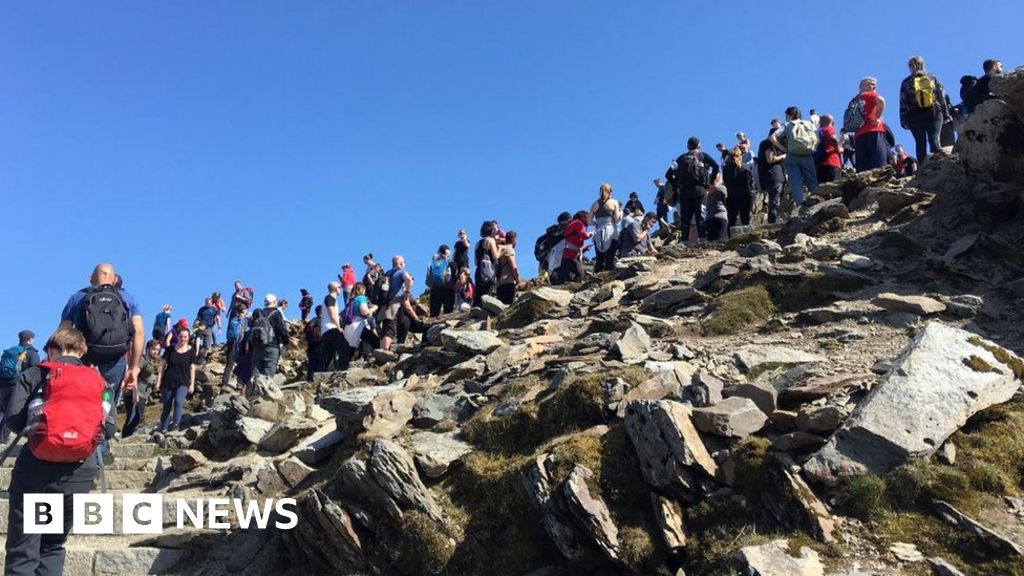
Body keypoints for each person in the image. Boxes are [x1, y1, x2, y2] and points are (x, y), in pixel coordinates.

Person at [3, 326, 109, 576]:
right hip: (78, 472)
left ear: (51, 350)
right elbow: (110, 427)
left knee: (24, 547)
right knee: (52, 545)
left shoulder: (35, 374)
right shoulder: (98, 380)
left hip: (35, 469)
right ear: (82, 351)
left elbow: (13, 420)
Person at [59, 263, 143, 458]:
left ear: (91, 278)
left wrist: (62, 363)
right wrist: (134, 367)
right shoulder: (126, 298)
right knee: (107, 405)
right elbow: (138, 332)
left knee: (80, 403)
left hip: (84, 360)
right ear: (114, 279)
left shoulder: (78, 297)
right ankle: (99, 454)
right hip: (116, 360)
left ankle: (76, 447)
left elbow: (63, 332)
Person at [899, 56, 950, 166]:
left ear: (910, 67)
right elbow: (941, 96)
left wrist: (904, 120)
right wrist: (946, 114)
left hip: (915, 114)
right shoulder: (932, 77)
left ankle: (923, 168)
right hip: (934, 111)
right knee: (934, 138)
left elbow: (903, 102)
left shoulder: (906, 82)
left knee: (920, 142)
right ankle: (938, 165)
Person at [669, 137, 719, 244]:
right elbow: (716, 166)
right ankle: (702, 241)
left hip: (684, 192)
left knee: (685, 219)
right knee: (700, 215)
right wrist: (710, 182)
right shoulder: (702, 156)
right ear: (699, 146)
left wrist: (675, 186)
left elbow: (668, 174)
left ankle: (684, 243)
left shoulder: (681, 158)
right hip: (700, 190)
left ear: (687, 147)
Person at [771, 106, 818, 209]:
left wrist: (784, 149)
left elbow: (772, 137)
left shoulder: (787, 125)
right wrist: (812, 148)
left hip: (792, 155)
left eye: (786, 115)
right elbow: (817, 138)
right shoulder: (809, 124)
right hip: (807, 154)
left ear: (790, 115)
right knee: (812, 180)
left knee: (796, 182)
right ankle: (817, 202)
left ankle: (801, 207)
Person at [0, 331, 41, 443]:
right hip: (17, 384)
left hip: (3, 383)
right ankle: (2, 440)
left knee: (4, 411)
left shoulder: (12, 351)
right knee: (11, 412)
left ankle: (2, 438)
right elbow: (35, 371)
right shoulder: (31, 353)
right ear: (30, 339)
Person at [154, 325, 195, 432]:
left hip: (183, 381)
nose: (183, 339)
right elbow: (162, 366)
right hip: (168, 381)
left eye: (185, 337)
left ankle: (176, 425)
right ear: (177, 337)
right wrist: (158, 382)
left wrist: (192, 384)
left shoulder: (191, 351)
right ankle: (163, 428)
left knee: (178, 401)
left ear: (188, 338)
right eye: (181, 336)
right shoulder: (170, 349)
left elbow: (192, 368)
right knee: (167, 405)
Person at [123, 339, 161, 437]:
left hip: (144, 394)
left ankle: (127, 436)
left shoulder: (154, 362)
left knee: (137, 417)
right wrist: (135, 393)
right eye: (154, 349)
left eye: (158, 350)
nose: (156, 351)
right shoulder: (142, 360)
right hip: (135, 392)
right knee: (134, 417)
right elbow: (134, 375)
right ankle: (125, 437)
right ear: (148, 349)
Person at [851, 77, 889, 172]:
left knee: (862, 165)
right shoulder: (869, 94)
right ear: (864, 85)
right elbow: (881, 101)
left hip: (859, 134)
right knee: (878, 162)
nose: (874, 86)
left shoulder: (854, 100)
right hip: (874, 130)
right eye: (871, 84)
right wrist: (878, 117)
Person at [248, 294, 290, 378]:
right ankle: (264, 390)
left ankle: (253, 389)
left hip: (257, 347)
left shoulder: (259, 312)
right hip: (272, 346)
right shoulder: (276, 313)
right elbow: (281, 329)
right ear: (275, 301)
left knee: (255, 374)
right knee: (268, 375)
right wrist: (286, 341)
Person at [378, 256, 413, 352]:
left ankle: (381, 350)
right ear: (401, 263)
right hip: (394, 303)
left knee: (386, 326)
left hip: (384, 303)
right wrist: (407, 292)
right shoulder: (401, 272)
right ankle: (385, 351)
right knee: (390, 327)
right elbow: (409, 280)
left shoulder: (387, 273)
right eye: (404, 262)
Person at [589, 183, 621, 272]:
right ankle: (608, 276)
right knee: (609, 258)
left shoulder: (594, 204)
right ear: (610, 191)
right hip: (611, 231)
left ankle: (597, 278)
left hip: (598, 232)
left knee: (599, 259)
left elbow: (589, 221)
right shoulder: (614, 202)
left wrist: (597, 223)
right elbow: (617, 219)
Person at [342, 284, 376, 365]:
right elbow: (364, 311)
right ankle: (363, 358)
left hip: (349, 325)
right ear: (362, 290)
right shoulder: (361, 298)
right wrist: (374, 308)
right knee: (371, 340)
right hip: (359, 324)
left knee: (351, 348)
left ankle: (343, 365)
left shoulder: (351, 300)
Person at [723, 147, 755, 228]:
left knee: (731, 220)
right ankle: (746, 238)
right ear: (740, 156)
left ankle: (730, 238)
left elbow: (725, 182)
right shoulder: (745, 168)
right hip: (745, 195)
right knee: (745, 219)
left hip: (731, 196)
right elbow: (750, 182)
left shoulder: (726, 168)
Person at [555, 211, 591, 284]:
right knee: (570, 276)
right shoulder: (578, 223)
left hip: (567, 255)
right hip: (567, 256)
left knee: (577, 275)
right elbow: (584, 236)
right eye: (588, 217)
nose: (589, 220)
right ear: (583, 217)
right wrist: (591, 234)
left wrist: (584, 248)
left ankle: (571, 288)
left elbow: (572, 242)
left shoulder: (572, 225)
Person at [319, 282, 346, 371]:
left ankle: (320, 372)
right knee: (344, 348)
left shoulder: (329, 298)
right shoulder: (330, 298)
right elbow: (332, 315)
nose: (341, 289)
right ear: (335, 289)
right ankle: (343, 369)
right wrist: (339, 327)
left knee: (327, 354)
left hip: (326, 330)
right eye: (340, 287)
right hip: (331, 328)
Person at [473, 223, 500, 306]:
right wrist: (501, 250)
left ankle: (475, 312)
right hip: (488, 271)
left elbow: (475, 262)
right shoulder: (490, 240)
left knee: (478, 294)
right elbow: (495, 256)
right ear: (491, 231)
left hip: (479, 271)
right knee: (487, 295)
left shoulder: (477, 244)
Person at [222, 303, 247, 389]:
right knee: (241, 363)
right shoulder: (244, 320)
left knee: (229, 363)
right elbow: (245, 331)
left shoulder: (233, 319)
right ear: (243, 310)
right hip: (239, 344)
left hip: (231, 342)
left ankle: (224, 382)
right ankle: (239, 383)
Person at [426, 244, 455, 317]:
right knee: (448, 312)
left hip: (435, 290)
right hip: (448, 289)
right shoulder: (451, 263)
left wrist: (431, 286)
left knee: (434, 313)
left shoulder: (432, 263)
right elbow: (455, 277)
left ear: (439, 252)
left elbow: (428, 279)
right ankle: (447, 327)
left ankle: (432, 327)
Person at [815, 114, 844, 184]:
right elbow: (833, 138)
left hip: (819, 164)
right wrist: (839, 149)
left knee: (822, 191)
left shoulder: (817, 132)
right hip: (832, 162)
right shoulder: (829, 128)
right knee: (834, 189)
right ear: (833, 122)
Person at [496, 231, 520, 305]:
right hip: (508, 282)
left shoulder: (500, 250)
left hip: (499, 283)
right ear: (514, 239)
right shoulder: (509, 249)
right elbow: (513, 267)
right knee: (508, 307)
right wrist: (518, 280)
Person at [304, 305, 323, 382]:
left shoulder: (312, 320)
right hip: (321, 343)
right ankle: (318, 379)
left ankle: (310, 379)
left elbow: (305, 331)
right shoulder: (323, 320)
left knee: (312, 362)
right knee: (321, 361)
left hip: (311, 344)